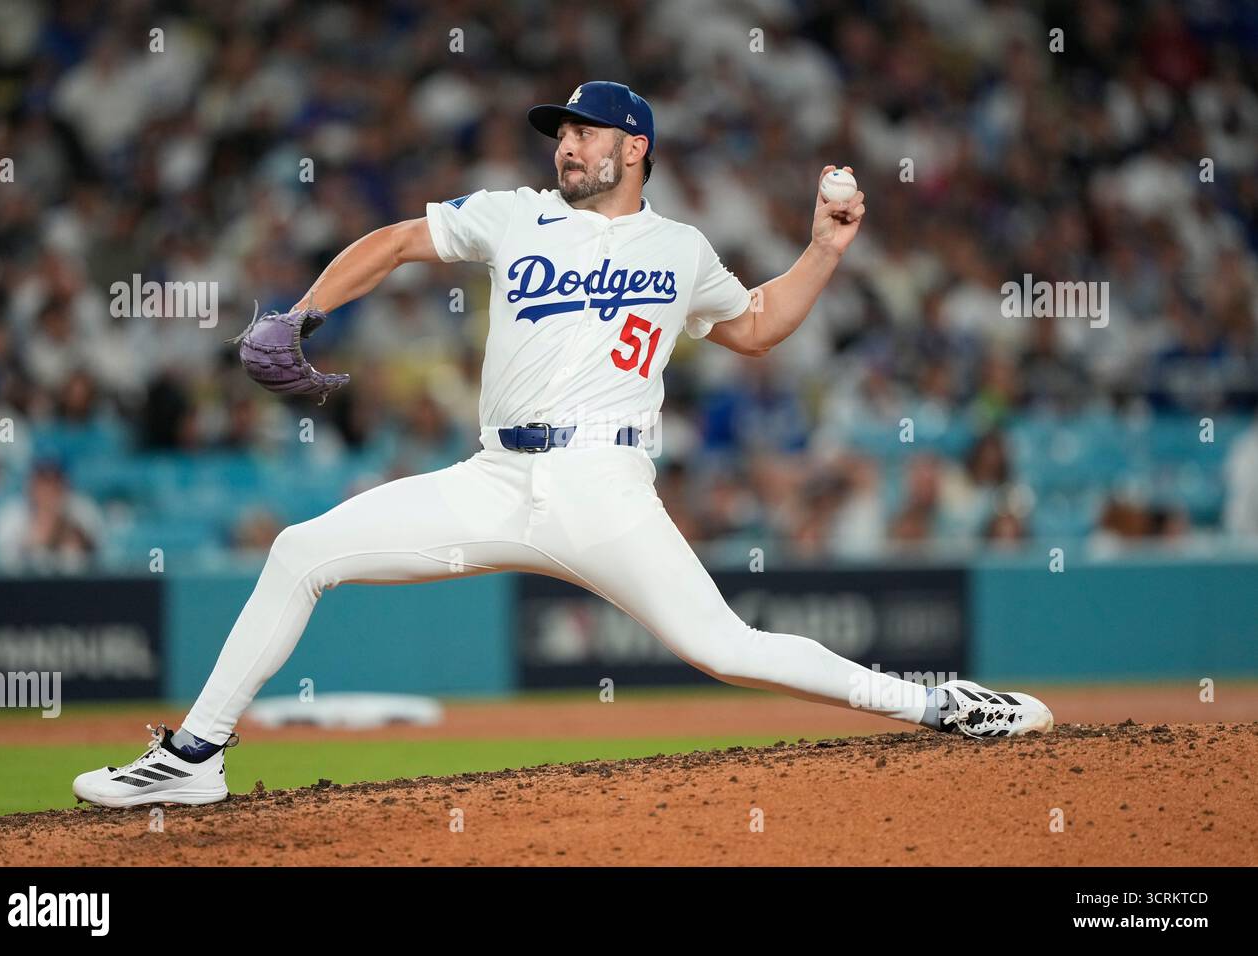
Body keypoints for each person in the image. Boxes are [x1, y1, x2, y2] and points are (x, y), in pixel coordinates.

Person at [73, 81, 1052, 809]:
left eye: (581, 131)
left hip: (603, 483)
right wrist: (302, 311)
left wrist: (825, 251)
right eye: (561, 132)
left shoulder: (680, 249)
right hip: (494, 475)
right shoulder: (512, 214)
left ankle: (937, 703)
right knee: (299, 550)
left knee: (724, 647)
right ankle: (196, 756)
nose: (564, 144)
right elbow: (395, 242)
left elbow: (752, 327)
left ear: (633, 147)